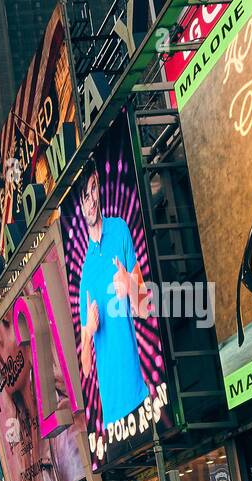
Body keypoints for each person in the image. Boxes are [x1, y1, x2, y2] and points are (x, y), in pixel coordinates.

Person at [74, 164, 151, 426]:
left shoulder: (120, 230)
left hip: (140, 394)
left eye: (94, 189)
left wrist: (129, 285)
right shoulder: (85, 273)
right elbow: (85, 366)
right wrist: (90, 330)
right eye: (85, 196)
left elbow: (143, 309)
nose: (92, 200)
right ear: (80, 206)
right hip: (112, 416)